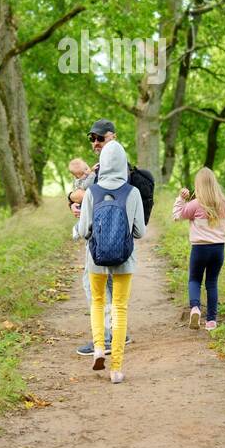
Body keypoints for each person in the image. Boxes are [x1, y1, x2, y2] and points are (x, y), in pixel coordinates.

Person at [76, 139, 144, 383]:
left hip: (96, 260)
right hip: (125, 261)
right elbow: (139, 232)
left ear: (102, 164)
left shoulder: (92, 192)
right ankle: (116, 369)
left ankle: (97, 348)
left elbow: (84, 230)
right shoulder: (132, 192)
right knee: (120, 309)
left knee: (97, 302)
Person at [72, 120, 133, 356]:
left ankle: (106, 338)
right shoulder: (109, 165)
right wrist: (74, 201)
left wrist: (75, 198)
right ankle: (117, 333)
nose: (96, 143)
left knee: (93, 285)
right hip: (116, 237)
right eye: (92, 139)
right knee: (108, 285)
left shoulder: (111, 166)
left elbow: (91, 195)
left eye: (101, 138)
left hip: (101, 238)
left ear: (113, 137)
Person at [172, 167, 225, 331]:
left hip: (199, 249)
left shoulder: (195, 205)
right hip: (218, 250)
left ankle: (195, 308)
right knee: (212, 283)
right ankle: (211, 321)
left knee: (194, 280)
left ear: (198, 186)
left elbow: (176, 216)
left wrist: (180, 199)